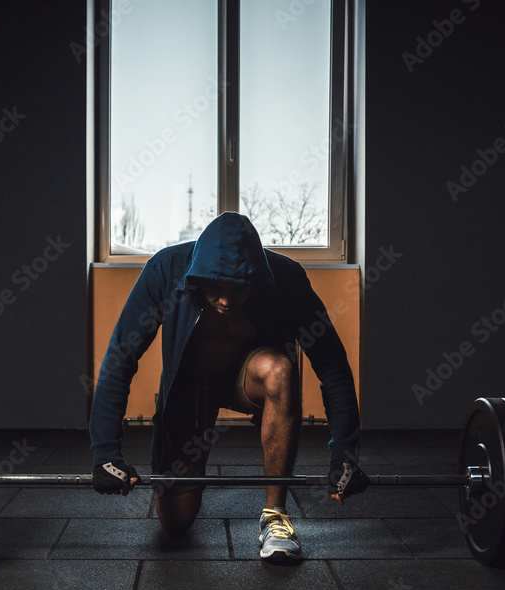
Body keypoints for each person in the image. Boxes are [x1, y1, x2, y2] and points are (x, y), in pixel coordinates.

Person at [89, 212, 368, 563]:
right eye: (215, 288)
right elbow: (121, 358)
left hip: (248, 376)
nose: (224, 299)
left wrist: (345, 453)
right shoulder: (165, 270)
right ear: (198, 275)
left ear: (256, 278)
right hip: (188, 390)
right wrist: (106, 453)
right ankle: (186, 471)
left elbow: (332, 365)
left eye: (237, 289)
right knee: (176, 526)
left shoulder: (287, 280)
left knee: (280, 369)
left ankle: (276, 517)